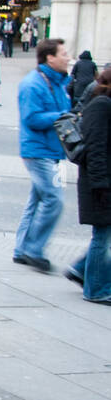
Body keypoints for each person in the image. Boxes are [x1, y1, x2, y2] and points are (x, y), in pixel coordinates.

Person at [13, 37, 73, 271]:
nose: (68, 57)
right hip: (38, 150)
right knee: (54, 199)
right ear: (50, 57)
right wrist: (62, 116)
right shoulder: (33, 84)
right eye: (64, 53)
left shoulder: (57, 82)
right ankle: (34, 249)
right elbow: (32, 118)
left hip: (51, 149)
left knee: (36, 200)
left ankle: (21, 249)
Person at [65, 69, 111, 303]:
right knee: (103, 236)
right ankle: (97, 289)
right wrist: (101, 186)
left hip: (103, 182)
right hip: (100, 184)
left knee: (106, 235)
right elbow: (96, 150)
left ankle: (83, 270)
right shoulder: (102, 105)